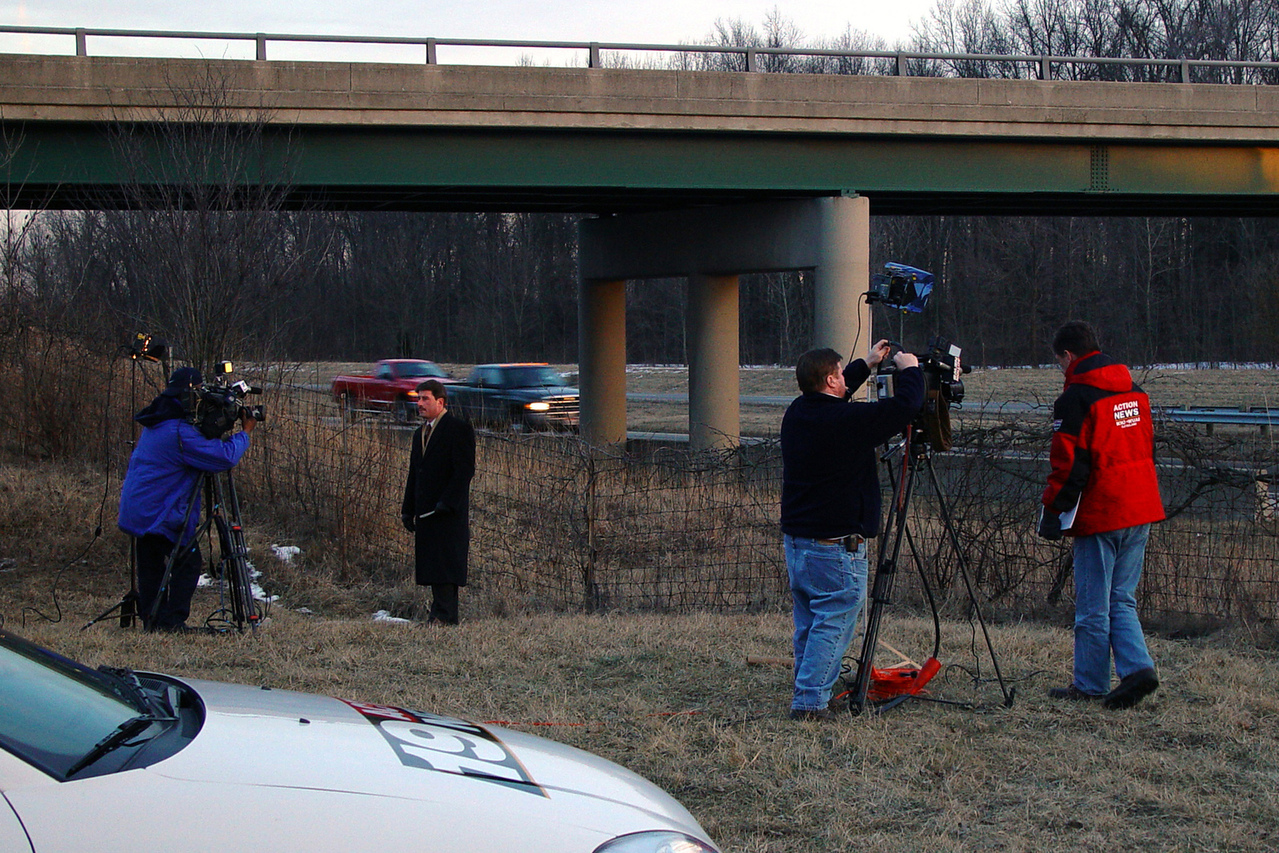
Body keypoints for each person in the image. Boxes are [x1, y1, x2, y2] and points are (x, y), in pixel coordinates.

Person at [780, 340, 923, 721]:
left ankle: (808, 690)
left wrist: (867, 364)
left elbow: (832, 402)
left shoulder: (798, 412)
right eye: (841, 374)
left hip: (799, 543)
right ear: (830, 380)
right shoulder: (845, 421)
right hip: (834, 547)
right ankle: (810, 703)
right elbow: (904, 408)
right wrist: (910, 370)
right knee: (834, 622)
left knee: (811, 624)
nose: (845, 379)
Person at [1039, 321, 1165, 709]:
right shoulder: (1135, 391)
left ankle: (1091, 684)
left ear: (1068, 355)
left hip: (1101, 509)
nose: (1060, 368)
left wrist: (1053, 509)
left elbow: (1068, 464)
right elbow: (1146, 446)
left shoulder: (1075, 399)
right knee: (1121, 598)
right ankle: (1137, 669)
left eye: (1059, 361)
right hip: (1141, 504)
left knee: (1093, 605)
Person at [118, 366, 255, 632]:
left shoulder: (159, 423)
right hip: (158, 513)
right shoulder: (180, 433)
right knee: (188, 563)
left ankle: (153, 620)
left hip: (140, 508)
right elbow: (224, 457)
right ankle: (171, 622)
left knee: (151, 566)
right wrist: (245, 432)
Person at [402, 379, 476, 625]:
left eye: (425, 399)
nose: (419, 404)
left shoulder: (458, 429)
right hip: (426, 510)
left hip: (448, 511)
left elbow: (464, 471)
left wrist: (448, 502)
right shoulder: (420, 434)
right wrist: (407, 509)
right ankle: (440, 615)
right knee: (432, 563)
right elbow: (415, 473)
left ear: (440, 402)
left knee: (447, 562)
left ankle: (445, 616)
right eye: (418, 398)